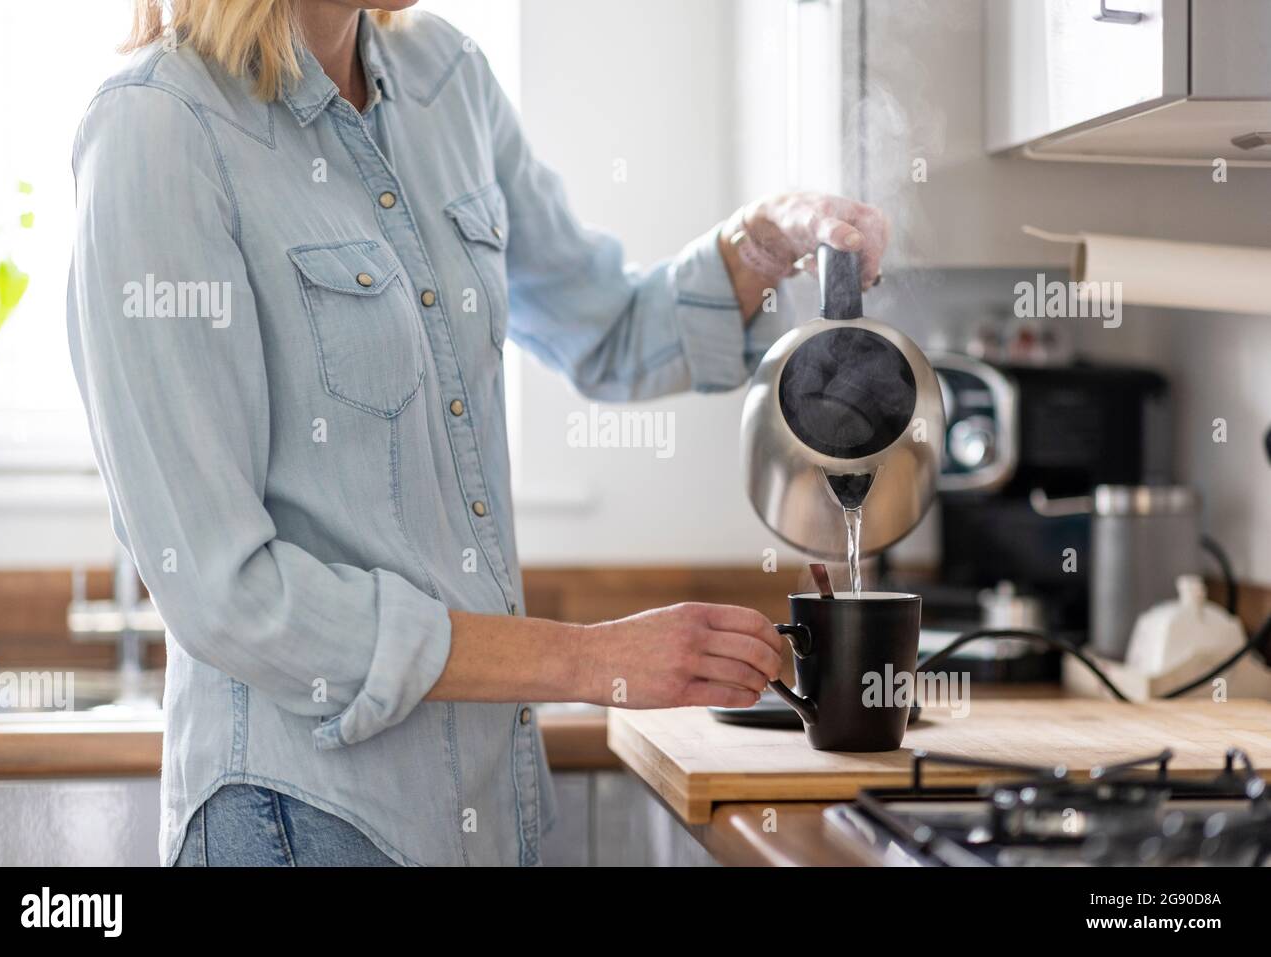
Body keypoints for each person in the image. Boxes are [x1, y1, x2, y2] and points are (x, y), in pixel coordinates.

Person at [67, 0, 889, 866]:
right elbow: (225, 591)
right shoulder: (157, 129)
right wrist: (587, 659)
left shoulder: (446, 78)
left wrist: (759, 245)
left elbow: (603, 328)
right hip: (298, 824)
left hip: (491, 812)